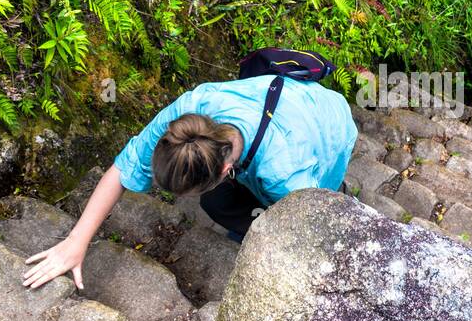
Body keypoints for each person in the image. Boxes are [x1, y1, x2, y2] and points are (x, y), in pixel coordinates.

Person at [22, 73, 357, 290]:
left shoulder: (286, 175)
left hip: (327, 126)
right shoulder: (189, 114)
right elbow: (122, 170)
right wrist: (75, 242)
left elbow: (316, 225)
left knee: (287, 215)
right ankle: (250, 221)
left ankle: (327, 197)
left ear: (226, 172)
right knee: (216, 202)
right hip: (282, 102)